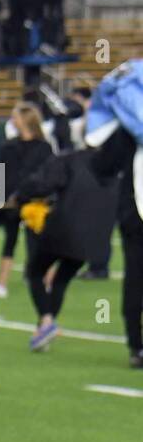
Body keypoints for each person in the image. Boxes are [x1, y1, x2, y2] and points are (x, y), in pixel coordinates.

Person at [12, 146, 117, 352]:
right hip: (95, 236)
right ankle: (44, 327)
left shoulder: (71, 159)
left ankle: (46, 321)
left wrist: (20, 195)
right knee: (61, 279)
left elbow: (42, 184)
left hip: (64, 229)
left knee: (35, 272)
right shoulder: (113, 166)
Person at [87, 121, 143, 367]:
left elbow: (102, 166)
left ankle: (137, 345)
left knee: (136, 276)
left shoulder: (130, 124)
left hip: (135, 210)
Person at [0, 102, 52, 300]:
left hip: (34, 203)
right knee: (9, 241)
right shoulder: (8, 146)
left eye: (16, 117)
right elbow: (1, 174)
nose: (12, 120)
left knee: (38, 244)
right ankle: (1, 285)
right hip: (11, 202)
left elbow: (47, 175)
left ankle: (44, 281)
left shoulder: (43, 148)